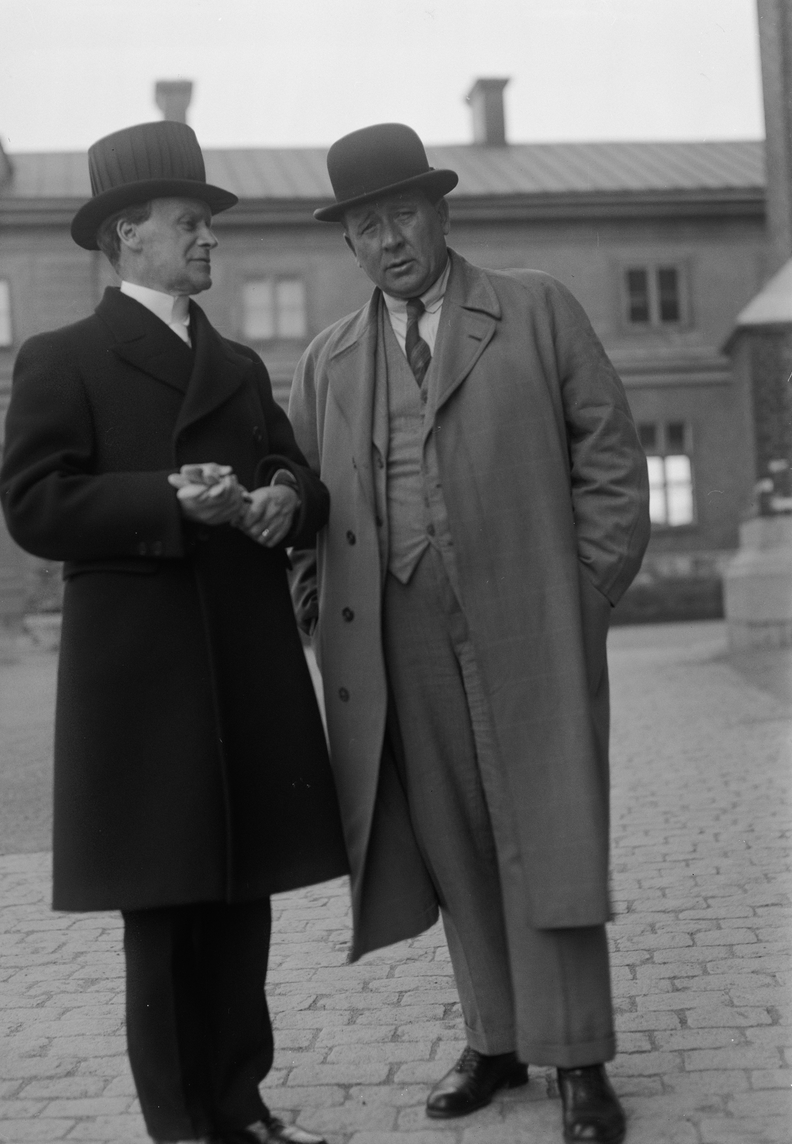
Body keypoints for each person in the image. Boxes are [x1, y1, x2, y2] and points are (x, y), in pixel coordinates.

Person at [288, 123, 650, 1144]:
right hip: (393, 632)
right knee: (450, 837)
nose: (390, 238)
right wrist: (322, 616)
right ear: (348, 244)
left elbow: (611, 463)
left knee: (548, 828)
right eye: (366, 226)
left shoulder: (535, 310)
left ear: (443, 211)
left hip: (528, 616)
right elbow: (308, 512)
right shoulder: (327, 361)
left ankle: (579, 1057)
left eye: (404, 212)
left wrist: (579, 597)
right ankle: (495, 1039)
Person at [0, 119, 349, 1144]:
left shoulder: (236, 364)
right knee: (161, 913)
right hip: (142, 679)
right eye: (188, 223)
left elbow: (302, 477)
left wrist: (288, 499)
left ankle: (240, 1108)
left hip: (241, 661)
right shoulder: (63, 358)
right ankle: (180, 1126)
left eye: (208, 225)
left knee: (243, 902)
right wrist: (164, 501)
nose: (208, 241)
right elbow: (33, 504)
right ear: (125, 236)